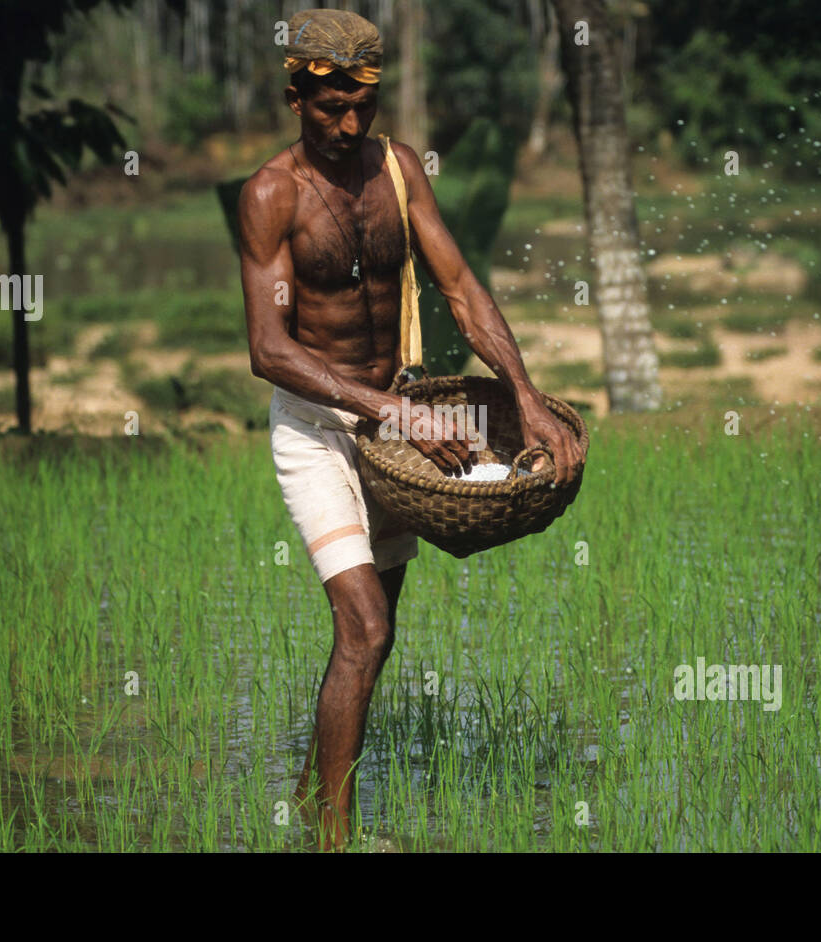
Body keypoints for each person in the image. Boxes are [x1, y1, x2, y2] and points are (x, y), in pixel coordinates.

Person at [238, 7, 581, 851]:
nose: (347, 124)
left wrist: (525, 393)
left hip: (395, 436)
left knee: (371, 638)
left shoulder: (395, 171)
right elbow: (268, 348)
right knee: (367, 627)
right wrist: (394, 409)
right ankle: (335, 844)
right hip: (321, 427)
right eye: (329, 107)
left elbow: (460, 286)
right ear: (295, 95)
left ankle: (309, 801)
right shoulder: (270, 194)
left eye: (362, 105)